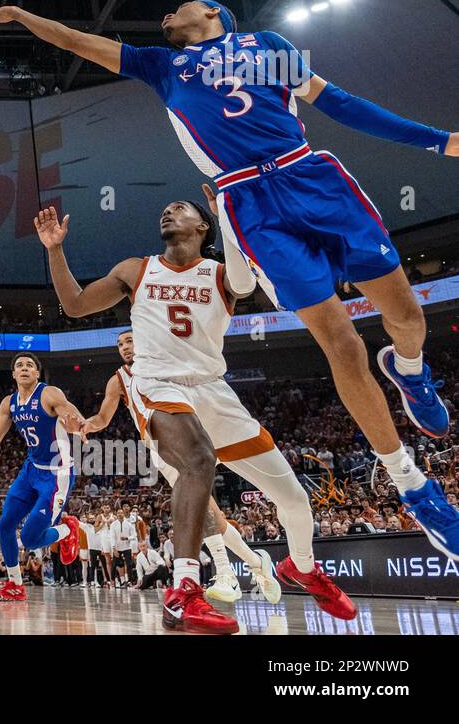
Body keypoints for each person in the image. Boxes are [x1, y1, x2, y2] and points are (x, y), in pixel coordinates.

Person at [0, 0, 459, 560]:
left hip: (309, 172)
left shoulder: (270, 45)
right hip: (248, 201)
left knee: (406, 316)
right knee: (342, 341)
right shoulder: (163, 66)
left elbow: (339, 103)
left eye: (174, 8)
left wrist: (440, 140)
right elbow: (76, 41)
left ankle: (409, 369)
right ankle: (411, 484)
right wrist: (21, 17)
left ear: (213, 11)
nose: (164, 16)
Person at [39, 201, 353, 630]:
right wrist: (55, 249)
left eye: (180, 209)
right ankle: (184, 591)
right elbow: (75, 305)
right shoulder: (136, 269)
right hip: (159, 384)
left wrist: (229, 218)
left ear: (203, 225)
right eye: (165, 210)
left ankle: (301, 566)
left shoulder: (221, 273)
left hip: (213, 390)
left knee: (295, 499)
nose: (167, 212)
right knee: (199, 460)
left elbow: (244, 283)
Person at [87, 330, 282, 604]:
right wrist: (86, 424)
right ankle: (257, 563)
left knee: (199, 507)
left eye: (130, 340)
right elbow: (102, 418)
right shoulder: (118, 379)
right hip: (159, 449)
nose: (124, 347)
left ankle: (226, 573)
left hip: (187, 438)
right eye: (120, 344)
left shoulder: (165, 362)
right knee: (213, 517)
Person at [0, 352, 85, 603]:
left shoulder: (49, 394)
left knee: (30, 539)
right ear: (13, 374)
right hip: (31, 470)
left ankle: (68, 529)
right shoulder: (9, 403)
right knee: (4, 525)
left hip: (57, 474)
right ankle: (14, 584)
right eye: (19, 365)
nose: (24, 368)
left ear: (37, 372)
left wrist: (78, 424)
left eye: (30, 365)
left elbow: (72, 414)